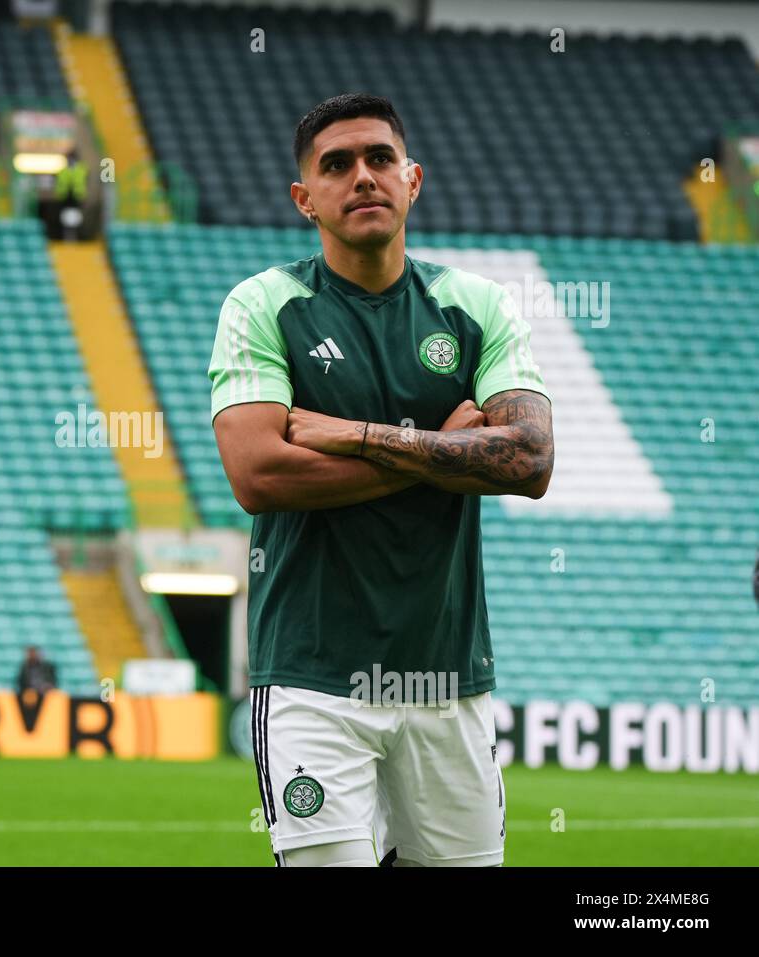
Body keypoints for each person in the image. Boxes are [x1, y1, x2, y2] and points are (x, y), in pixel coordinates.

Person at [209, 93, 554, 867]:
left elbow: (529, 460)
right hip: (312, 680)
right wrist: (439, 454)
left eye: (379, 159)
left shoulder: (477, 304)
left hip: (447, 682)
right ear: (305, 199)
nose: (362, 177)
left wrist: (355, 436)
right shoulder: (264, 304)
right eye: (336, 165)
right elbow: (258, 472)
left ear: (413, 180)